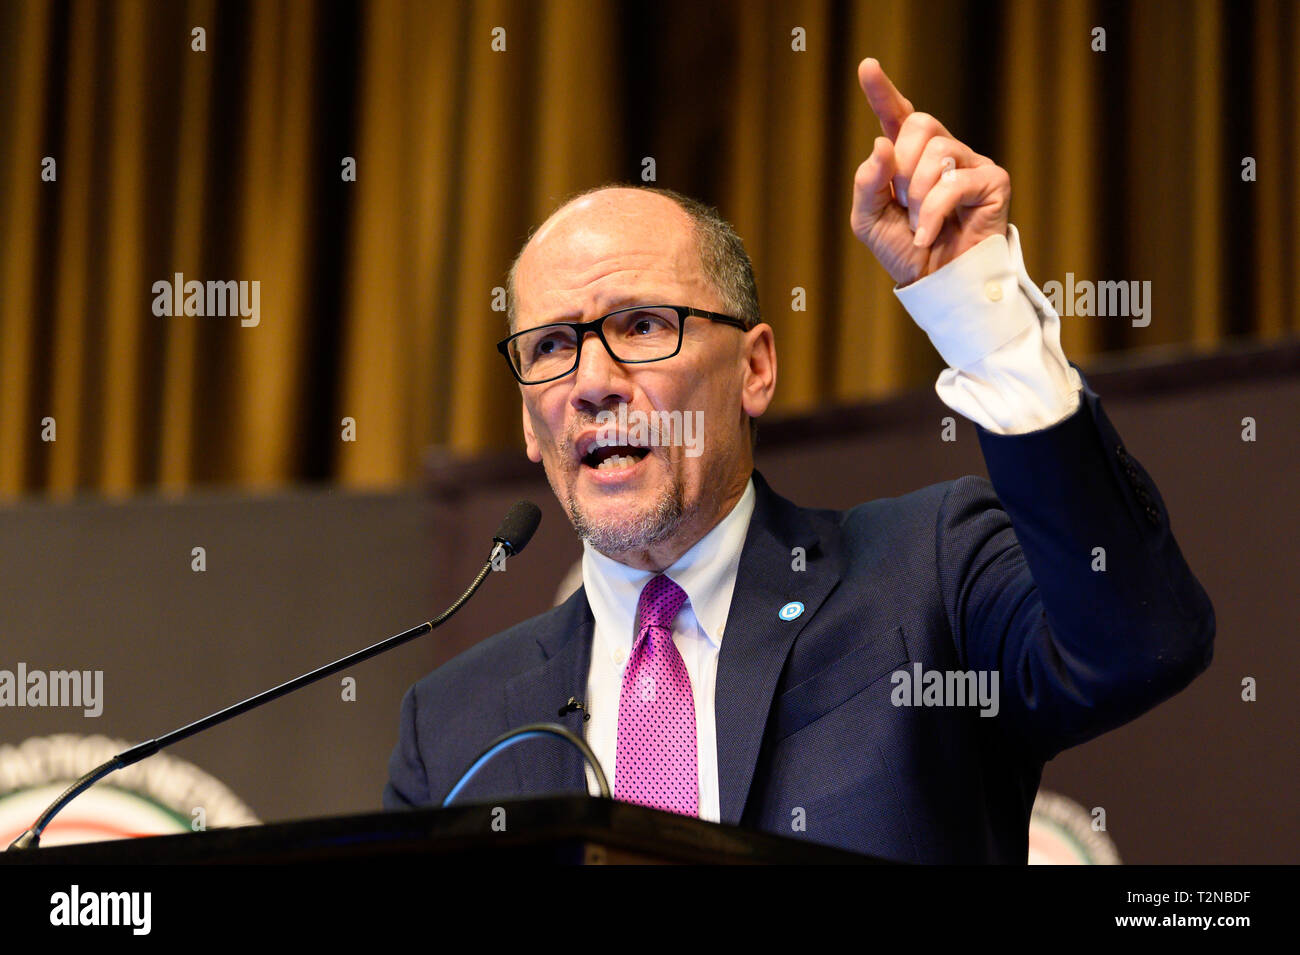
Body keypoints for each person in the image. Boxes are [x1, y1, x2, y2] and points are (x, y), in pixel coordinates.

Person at [383, 59, 1214, 862]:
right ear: (530, 422)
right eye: (554, 345)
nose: (593, 382)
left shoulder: (926, 573)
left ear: (754, 369)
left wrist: (984, 315)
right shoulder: (451, 726)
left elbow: (1138, 648)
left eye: (641, 326)